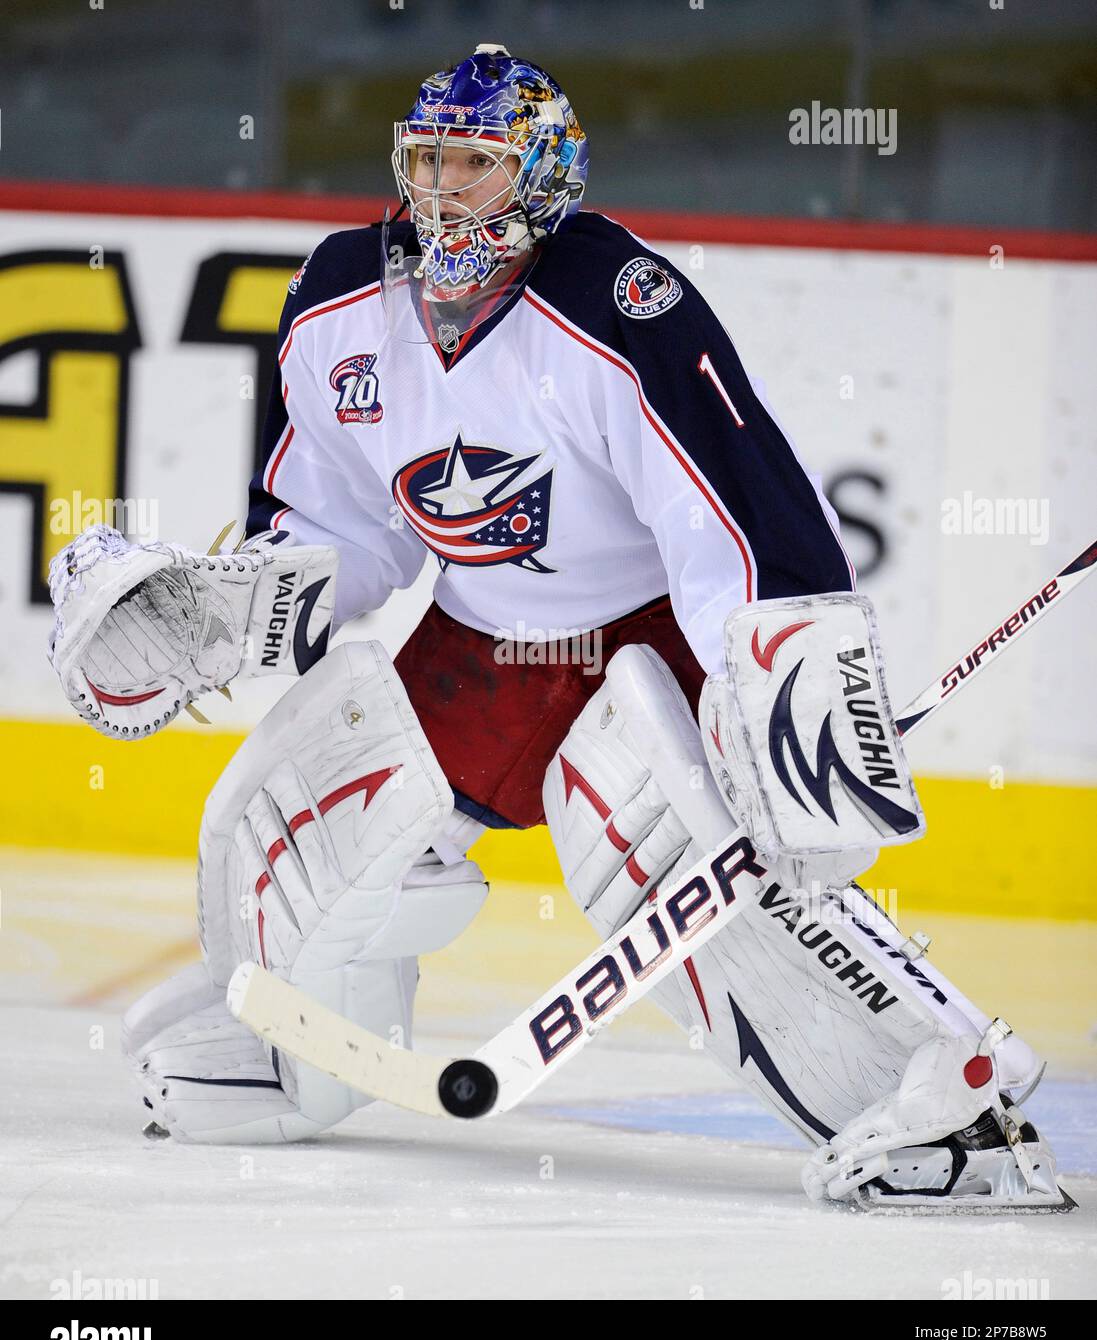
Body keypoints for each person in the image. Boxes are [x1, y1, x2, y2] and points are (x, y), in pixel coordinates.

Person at [47, 46, 1070, 1210]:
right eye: (425, 160)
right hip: (476, 651)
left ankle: (944, 1099)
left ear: (540, 174)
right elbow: (341, 523)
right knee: (286, 811)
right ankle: (295, 1052)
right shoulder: (339, 300)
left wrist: (776, 689)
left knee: (684, 866)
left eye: (472, 165)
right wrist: (238, 603)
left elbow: (731, 510)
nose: (437, 190)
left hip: (632, 648)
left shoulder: (614, 299)